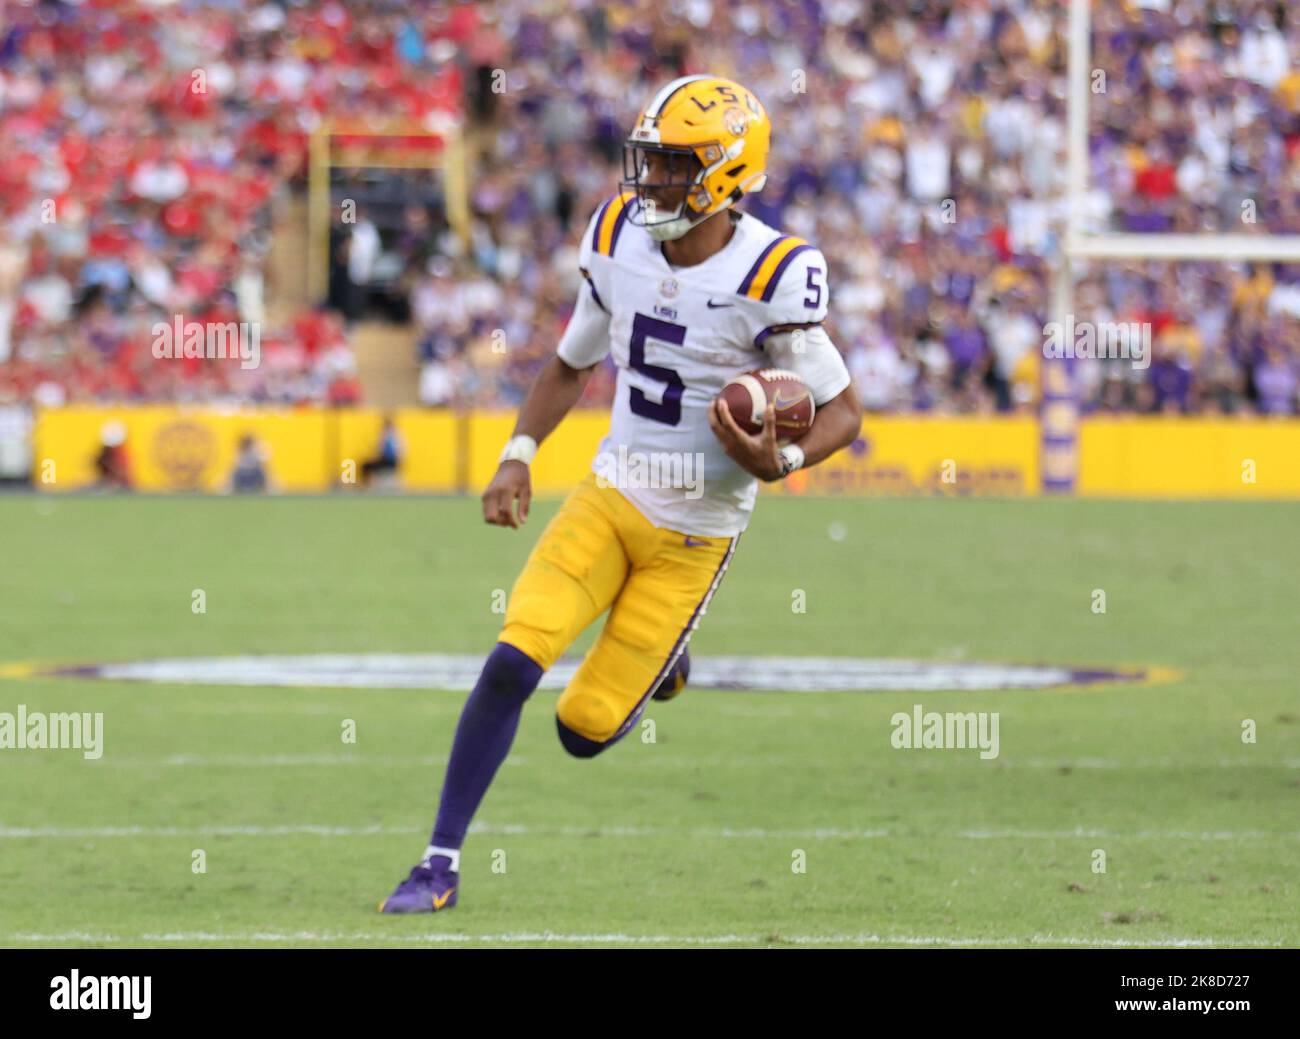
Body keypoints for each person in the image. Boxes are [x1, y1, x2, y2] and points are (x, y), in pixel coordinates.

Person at [380, 75, 863, 914]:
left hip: (696, 534)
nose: (653, 183)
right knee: (511, 659)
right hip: (610, 494)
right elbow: (572, 362)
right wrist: (518, 453)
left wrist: (778, 460)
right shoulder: (617, 236)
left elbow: (844, 412)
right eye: (650, 162)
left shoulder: (777, 271)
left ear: (726, 174)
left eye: (675, 167)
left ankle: (664, 669)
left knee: (582, 730)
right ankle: (438, 862)